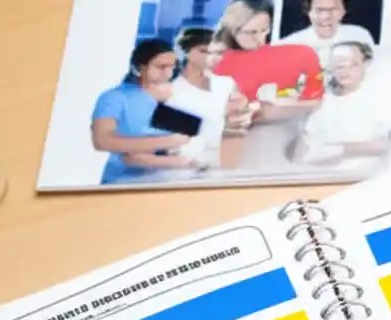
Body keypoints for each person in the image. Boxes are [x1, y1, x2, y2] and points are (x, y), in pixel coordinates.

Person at [90, 38, 194, 184]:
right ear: (140, 67)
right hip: (124, 182)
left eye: (172, 67)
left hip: (174, 180)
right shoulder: (115, 98)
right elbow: (102, 141)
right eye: (161, 67)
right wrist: (165, 143)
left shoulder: (178, 96)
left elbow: (189, 140)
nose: (168, 73)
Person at [212, 0, 324, 108]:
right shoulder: (216, 63)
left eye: (265, 31)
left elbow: (316, 97)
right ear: (232, 29)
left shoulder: (301, 54)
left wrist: (282, 99)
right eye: (252, 32)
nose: (260, 40)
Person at [165, 28, 248, 168]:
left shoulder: (227, 83)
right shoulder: (172, 93)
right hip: (191, 170)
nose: (212, 57)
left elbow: (241, 121)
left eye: (218, 52)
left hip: (229, 160)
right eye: (204, 51)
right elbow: (174, 146)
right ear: (186, 53)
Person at [295, 42, 387, 168]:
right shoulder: (323, 103)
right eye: (339, 66)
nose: (344, 72)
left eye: (352, 65)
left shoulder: (379, 98)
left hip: (366, 175)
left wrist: (339, 149)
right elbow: (304, 151)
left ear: (366, 63)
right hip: (325, 177)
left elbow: (388, 145)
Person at [279, 0, 375, 67]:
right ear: (308, 11)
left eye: (333, 10)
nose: (325, 16)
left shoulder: (360, 37)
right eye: (319, 10)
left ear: (343, 11)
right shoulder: (288, 46)